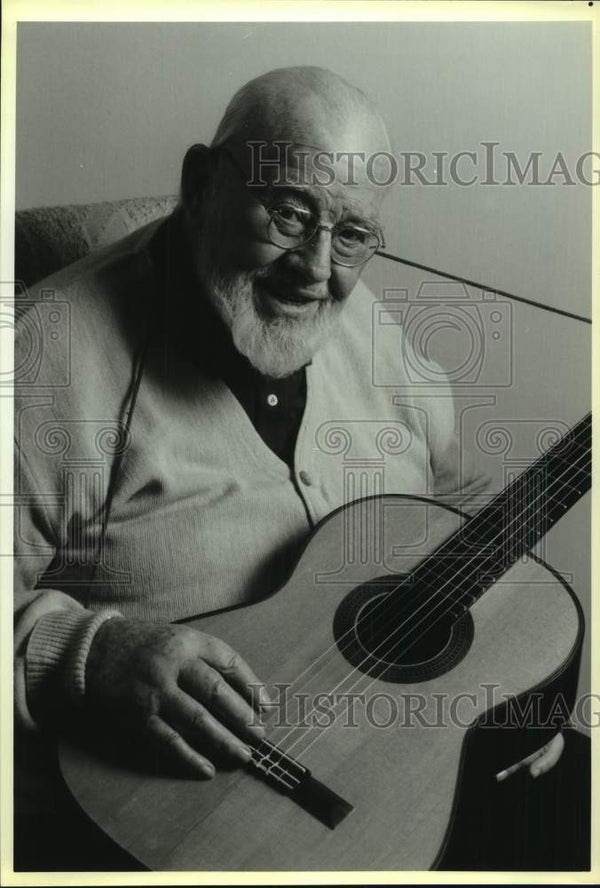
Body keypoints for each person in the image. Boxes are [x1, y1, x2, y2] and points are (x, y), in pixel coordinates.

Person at [13, 66, 565, 869]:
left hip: (399, 781)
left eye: (351, 235)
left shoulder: (357, 319)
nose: (314, 267)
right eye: (289, 212)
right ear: (200, 185)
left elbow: (458, 500)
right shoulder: (38, 363)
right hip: (149, 830)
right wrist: (88, 657)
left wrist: (518, 688)